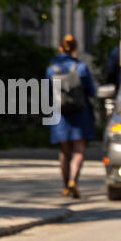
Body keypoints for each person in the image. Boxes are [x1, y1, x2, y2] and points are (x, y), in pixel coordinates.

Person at [46, 34, 97, 199]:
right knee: (78, 150)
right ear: (75, 49)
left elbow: (47, 94)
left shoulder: (51, 69)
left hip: (60, 114)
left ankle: (65, 185)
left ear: (60, 48)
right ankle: (73, 181)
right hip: (80, 113)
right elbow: (92, 91)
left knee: (64, 151)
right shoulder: (81, 68)